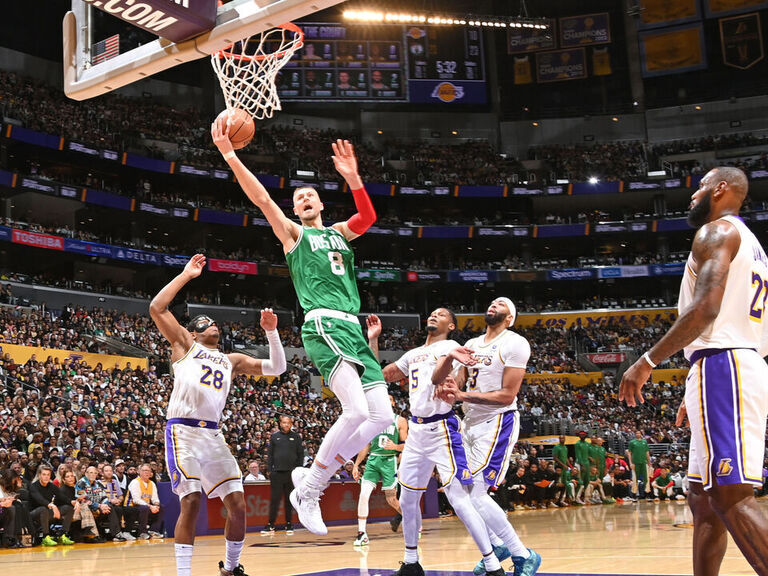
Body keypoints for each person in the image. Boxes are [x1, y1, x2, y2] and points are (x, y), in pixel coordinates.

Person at [211, 123, 394, 536]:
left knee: (381, 417)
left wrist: (353, 178)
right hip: (324, 323)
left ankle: (313, 478)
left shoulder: (340, 234)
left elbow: (368, 216)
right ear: (294, 211)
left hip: (354, 329)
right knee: (357, 411)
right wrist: (230, 155)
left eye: (310, 194)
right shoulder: (293, 235)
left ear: (321, 202)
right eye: (298, 198)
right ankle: (310, 488)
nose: (305, 198)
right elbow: (260, 198)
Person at [619, 166, 768, 576]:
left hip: (724, 363)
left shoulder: (716, 231)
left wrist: (645, 362)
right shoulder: (754, 245)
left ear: (721, 189)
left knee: (731, 497)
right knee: (702, 499)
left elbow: (705, 310)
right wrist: (696, 394)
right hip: (725, 366)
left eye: (699, 186)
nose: (691, 195)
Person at [150, 254, 287, 576]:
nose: (212, 325)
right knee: (192, 501)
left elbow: (278, 368)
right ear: (194, 333)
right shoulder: (185, 345)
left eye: (214, 323)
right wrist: (186, 275)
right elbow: (157, 308)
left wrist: (271, 333)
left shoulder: (232, 359)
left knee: (238, 504)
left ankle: (232, 567)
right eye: (204, 323)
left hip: (213, 434)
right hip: (182, 431)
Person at [371, 307, 508, 576]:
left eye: (442, 314)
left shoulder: (453, 346)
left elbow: (457, 380)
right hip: (416, 431)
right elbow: (379, 376)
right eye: (431, 312)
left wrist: (452, 377)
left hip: (442, 429)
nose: (434, 315)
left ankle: (493, 566)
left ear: (452, 326)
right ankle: (411, 563)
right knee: (408, 499)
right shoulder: (412, 354)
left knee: (460, 500)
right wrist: (374, 339)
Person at [434, 297, 542, 576]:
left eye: (501, 304)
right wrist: (448, 385)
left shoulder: (515, 343)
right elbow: (458, 382)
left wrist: (461, 395)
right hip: (469, 421)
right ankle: (498, 545)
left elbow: (507, 394)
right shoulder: (470, 345)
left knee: (477, 492)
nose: (494, 305)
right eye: (493, 302)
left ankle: (523, 554)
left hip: (497, 421)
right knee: (460, 491)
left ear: (510, 317)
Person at [352, 391, 407, 546]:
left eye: (390, 399)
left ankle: (413, 522)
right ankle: (361, 534)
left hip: (389, 461)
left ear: (394, 403)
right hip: (373, 460)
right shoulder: (372, 421)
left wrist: (395, 446)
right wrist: (356, 465)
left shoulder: (400, 421)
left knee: (392, 500)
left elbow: (407, 445)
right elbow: (366, 446)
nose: (387, 402)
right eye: (385, 399)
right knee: (363, 495)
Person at [263, 416, 303, 535]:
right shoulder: (275, 437)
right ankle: (271, 524)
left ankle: (289, 524)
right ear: (280, 423)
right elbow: (270, 455)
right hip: (277, 473)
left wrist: (298, 470)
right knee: (275, 500)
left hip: (291, 474)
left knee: (289, 500)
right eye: (284, 422)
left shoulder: (296, 437)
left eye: (288, 423)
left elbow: (300, 455)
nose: (286, 425)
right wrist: (270, 470)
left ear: (291, 424)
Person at [29, 463, 74, 546]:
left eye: (48, 475)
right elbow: (40, 499)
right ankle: (45, 537)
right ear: (39, 475)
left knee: (68, 508)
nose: (46, 477)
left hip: (47, 512)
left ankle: (62, 534)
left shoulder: (52, 486)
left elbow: (62, 496)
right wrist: (52, 506)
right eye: (44, 474)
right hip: (34, 514)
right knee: (43, 509)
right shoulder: (33, 486)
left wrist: (72, 502)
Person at [125, 464, 164, 540]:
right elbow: (136, 500)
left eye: (148, 471)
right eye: (144, 470)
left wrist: (156, 505)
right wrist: (150, 506)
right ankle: (142, 533)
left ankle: (153, 530)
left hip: (145, 506)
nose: (147, 472)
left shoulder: (152, 483)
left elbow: (155, 498)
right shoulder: (135, 482)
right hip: (130, 507)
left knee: (161, 507)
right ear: (139, 472)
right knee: (144, 508)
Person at [625, 431, 652, 501]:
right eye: (636, 433)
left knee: (646, 479)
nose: (638, 434)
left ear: (641, 434)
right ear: (635, 434)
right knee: (635, 479)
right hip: (635, 463)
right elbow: (629, 453)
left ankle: (647, 494)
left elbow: (647, 452)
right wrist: (630, 463)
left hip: (644, 462)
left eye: (639, 433)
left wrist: (649, 462)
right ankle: (634, 495)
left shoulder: (644, 442)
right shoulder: (632, 442)